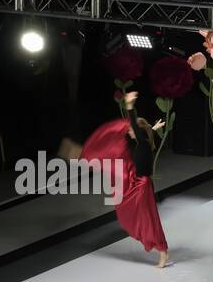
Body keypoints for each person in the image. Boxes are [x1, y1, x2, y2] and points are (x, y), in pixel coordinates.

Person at [63, 92, 170, 268]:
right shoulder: (142, 142)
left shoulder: (142, 141)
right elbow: (141, 132)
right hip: (137, 182)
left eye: (131, 131)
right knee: (129, 209)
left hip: (142, 185)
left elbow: (136, 128)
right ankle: (82, 155)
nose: (129, 133)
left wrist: (129, 107)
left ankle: (162, 250)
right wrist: (154, 128)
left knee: (148, 219)